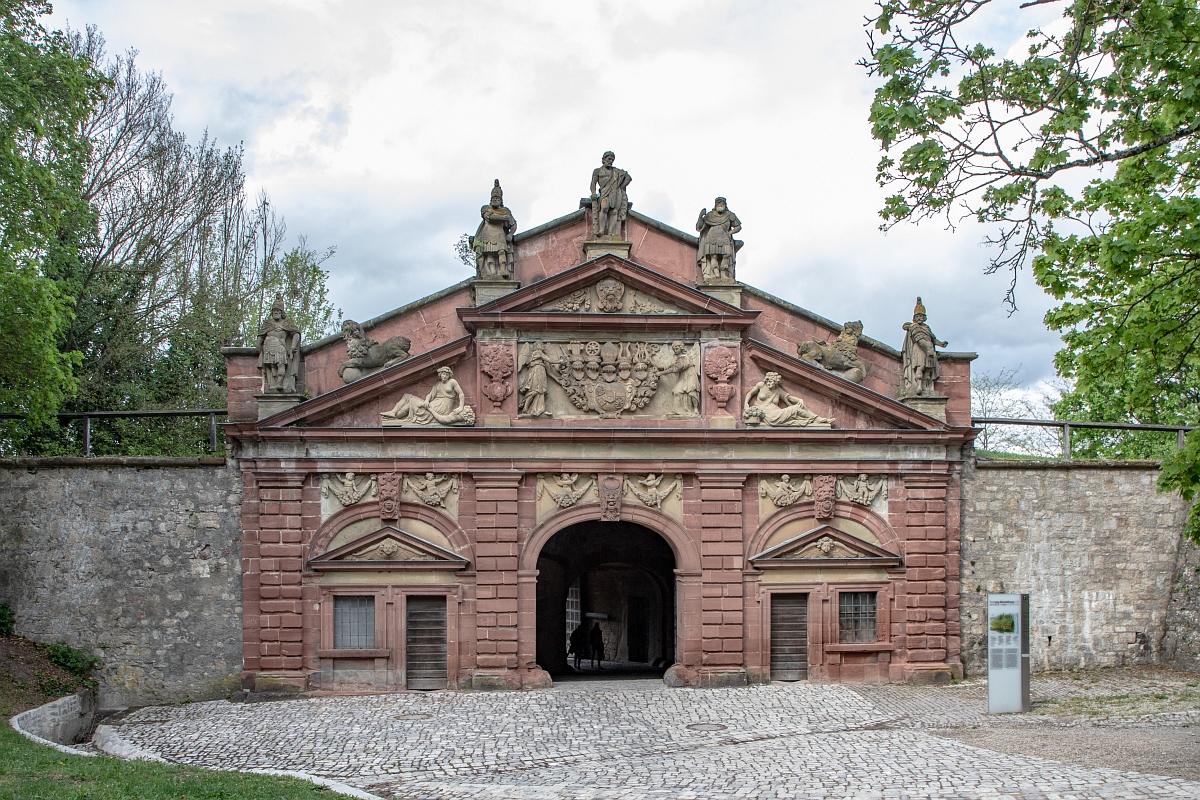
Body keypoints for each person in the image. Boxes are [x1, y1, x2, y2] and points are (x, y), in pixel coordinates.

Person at [743, 372, 833, 427]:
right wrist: (746, 404)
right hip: (768, 415)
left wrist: (799, 400)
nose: (769, 383)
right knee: (796, 409)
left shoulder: (778, 391)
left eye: (772, 382)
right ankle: (816, 419)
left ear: (776, 383)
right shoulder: (761, 385)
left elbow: (789, 397)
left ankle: (816, 419)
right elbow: (750, 393)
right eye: (768, 381)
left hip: (777, 413)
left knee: (797, 408)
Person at [901, 297, 948, 397]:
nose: (919, 318)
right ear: (914, 317)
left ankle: (928, 387)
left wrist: (941, 344)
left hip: (928, 349)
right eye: (917, 316)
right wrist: (928, 349)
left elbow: (933, 339)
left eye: (921, 316)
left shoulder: (927, 328)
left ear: (925, 317)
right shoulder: (914, 327)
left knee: (928, 369)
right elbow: (919, 340)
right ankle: (918, 386)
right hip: (920, 350)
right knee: (920, 367)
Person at [471, 179, 517, 279]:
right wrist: (504, 218)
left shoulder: (505, 211)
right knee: (490, 255)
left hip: (500, 234)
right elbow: (490, 218)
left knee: (501, 251)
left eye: (497, 198)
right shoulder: (485, 209)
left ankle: (503, 269)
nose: (495, 200)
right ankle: (491, 272)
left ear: (501, 200)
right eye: (493, 198)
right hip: (487, 234)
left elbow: (513, 224)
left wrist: (510, 234)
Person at [256, 296, 301, 393]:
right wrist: (258, 345)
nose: (275, 313)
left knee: (281, 364)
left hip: (280, 347)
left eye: (278, 311)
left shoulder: (287, 323)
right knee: (272, 366)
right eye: (274, 312)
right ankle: (274, 383)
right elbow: (261, 335)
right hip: (268, 348)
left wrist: (293, 346)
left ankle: (280, 382)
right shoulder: (267, 324)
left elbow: (296, 334)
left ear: (282, 313)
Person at [695, 197, 742, 282]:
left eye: (722, 204)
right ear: (715, 205)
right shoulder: (710, 215)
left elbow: (738, 226)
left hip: (724, 237)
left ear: (725, 205)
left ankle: (724, 274)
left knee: (726, 255)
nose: (720, 205)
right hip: (712, 238)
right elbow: (699, 227)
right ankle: (716, 274)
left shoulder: (730, 215)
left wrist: (730, 233)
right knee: (714, 256)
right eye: (718, 203)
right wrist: (700, 216)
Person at [589, 151, 632, 238]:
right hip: (604, 192)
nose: (611, 161)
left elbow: (628, 177)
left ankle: (611, 232)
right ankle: (601, 230)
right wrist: (593, 193)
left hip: (615, 193)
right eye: (609, 159)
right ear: (603, 160)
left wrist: (620, 187)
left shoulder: (616, 171)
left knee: (614, 211)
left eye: (612, 160)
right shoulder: (597, 171)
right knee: (604, 208)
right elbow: (593, 184)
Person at [660, 341, 699, 416]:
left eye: (676, 348)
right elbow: (668, 365)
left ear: (681, 348)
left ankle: (695, 409)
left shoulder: (684, 357)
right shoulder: (677, 358)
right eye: (674, 349)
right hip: (683, 376)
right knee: (677, 391)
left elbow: (675, 368)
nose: (675, 350)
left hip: (690, 375)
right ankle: (677, 410)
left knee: (691, 392)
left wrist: (661, 373)